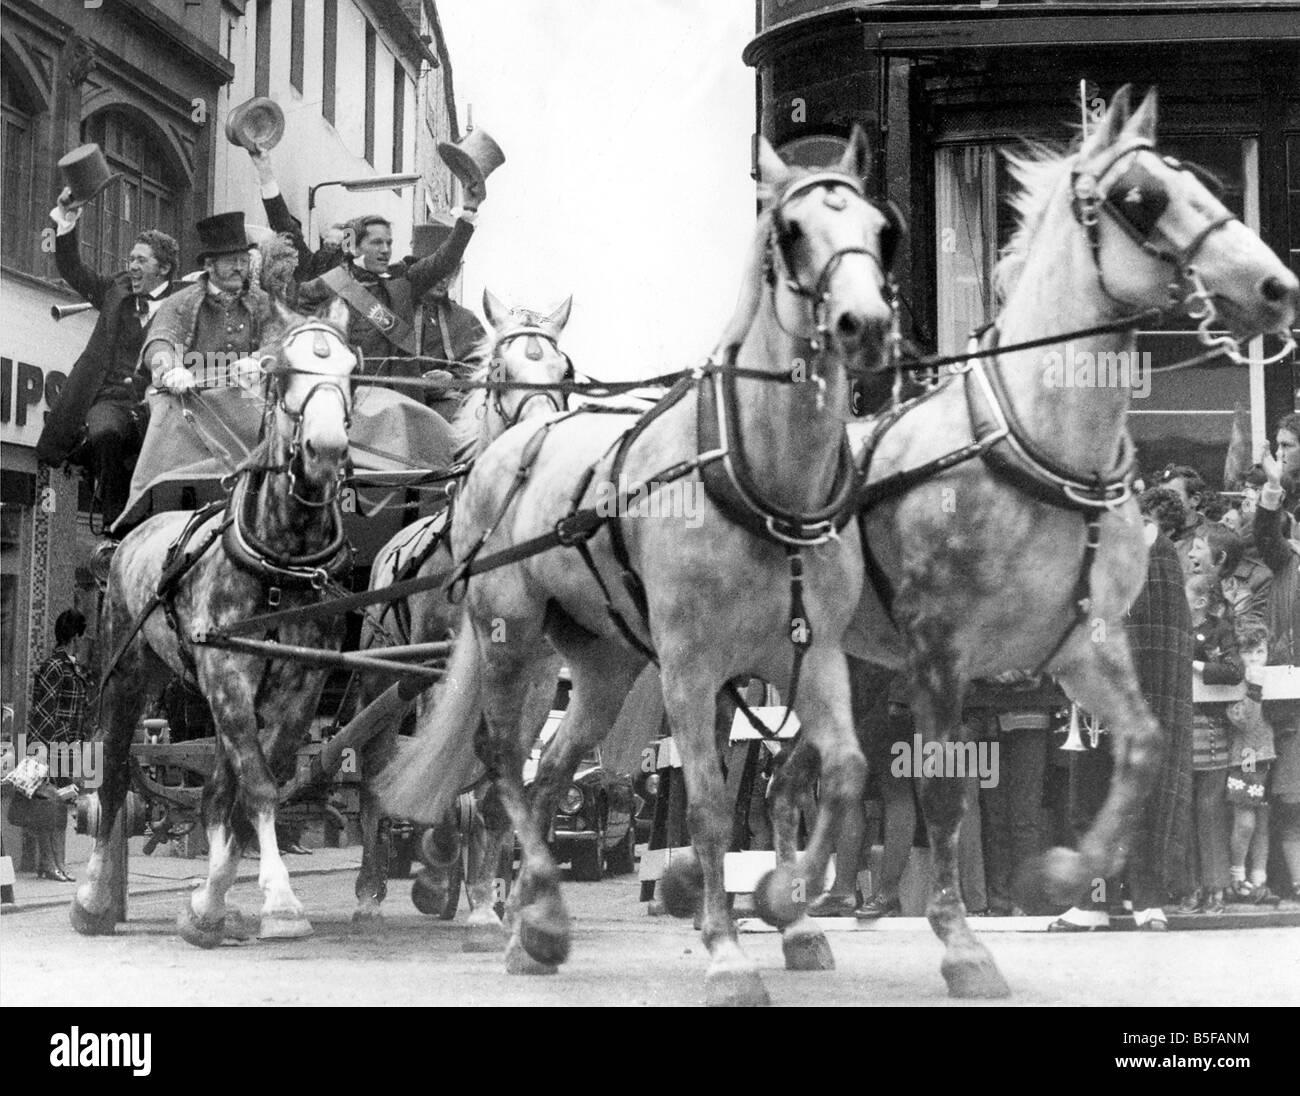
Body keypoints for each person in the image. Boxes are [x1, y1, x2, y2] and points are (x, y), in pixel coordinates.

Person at [1051, 517, 1195, 931]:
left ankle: (1147, 902)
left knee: (1144, 805)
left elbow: (1166, 635)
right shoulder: (1079, 546)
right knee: (1088, 803)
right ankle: (1094, 903)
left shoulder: (1158, 549)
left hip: (1144, 697)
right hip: (1093, 699)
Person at [38, 190, 180, 531]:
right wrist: (66, 220)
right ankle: (115, 526)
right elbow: (73, 269)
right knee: (104, 434)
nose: (131, 265)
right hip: (111, 399)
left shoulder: (184, 304)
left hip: (162, 404)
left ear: (164, 268)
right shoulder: (114, 291)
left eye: (141, 260)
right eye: (131, 258)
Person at [296, 189, 482, 382]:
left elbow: (442, 261)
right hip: (340, 392)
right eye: (377, 243)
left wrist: (468, 213)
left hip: (394, 398)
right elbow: (298, 325)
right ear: (355, 247)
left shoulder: (402, 281)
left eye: (389, 243)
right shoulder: (329, 284)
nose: (385, 250)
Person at [1254, 441, 1300, 903]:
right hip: (1291, 694)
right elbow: (1266, 534)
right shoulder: (1288, 557)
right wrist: (1273, 487)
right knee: (1287, 796)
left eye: (1291, 446)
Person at [1183, 571, 1242, 913]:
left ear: (1202, 602)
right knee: (1186, 813)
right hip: (1180, 730)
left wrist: (1193, 664)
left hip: (1212, 732)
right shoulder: (1174, 629)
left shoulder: (1220, 629)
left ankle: (1215, 889)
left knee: (1209, 812)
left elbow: (1234, 671)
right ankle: (1190, 888)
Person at [25, 610, 90, 882]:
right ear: (76, 637)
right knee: (48, 806)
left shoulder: (71, 667)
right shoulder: (55, 666)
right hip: (52, 748)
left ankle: (55, 862)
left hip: (67, 749)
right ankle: (49, 863)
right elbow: (44, 712)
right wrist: (43, 754)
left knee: (59, 805)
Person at [1224, 624, 1281, 904]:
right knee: (1245, 818)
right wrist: (1254, 687)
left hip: (1269, 756)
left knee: (1262, 819)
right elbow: (1243, 720)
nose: (1255, 658)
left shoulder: (1273, 677)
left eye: (1260, 651)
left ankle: (1259, 881)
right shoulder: (1235, 680)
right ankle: (1237, 877)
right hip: (1246, 755)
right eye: (1248, 652)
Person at [1157, 464, 1208, 578]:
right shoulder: (1151, 534)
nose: (1162, 503)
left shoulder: (1210, 539)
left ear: (1195, 500)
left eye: (1172, 495)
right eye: (1160, 496)